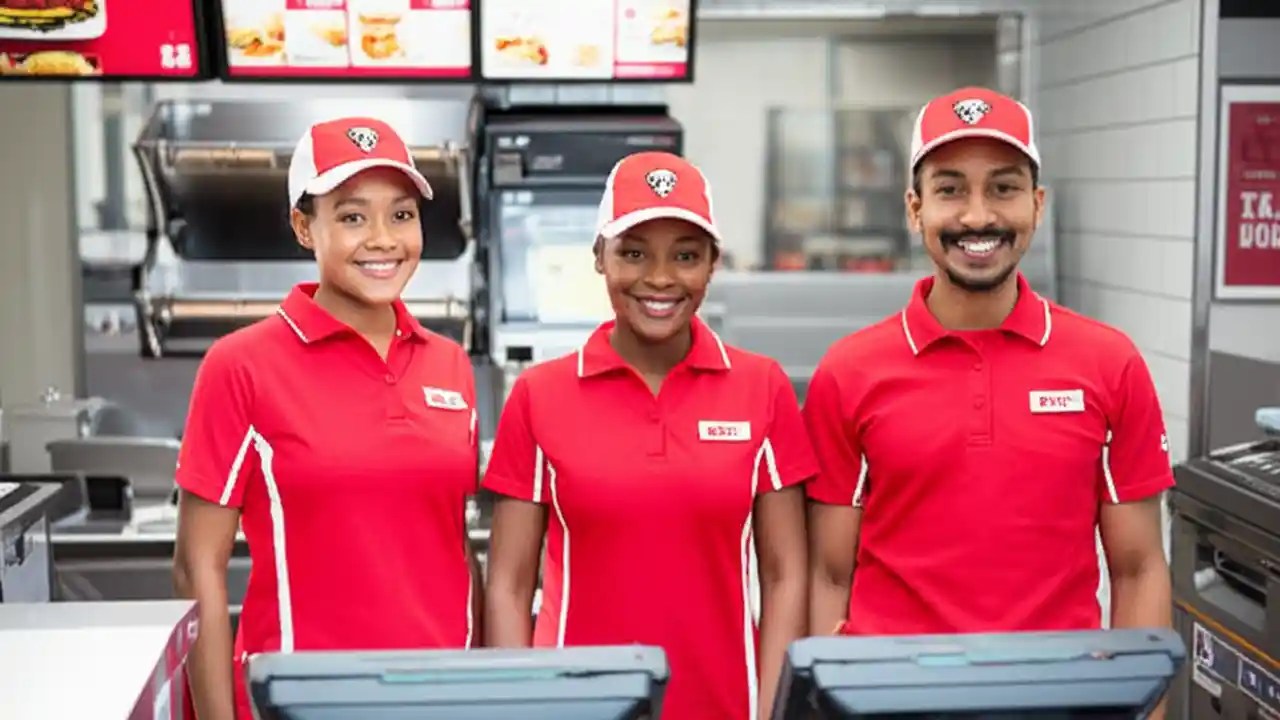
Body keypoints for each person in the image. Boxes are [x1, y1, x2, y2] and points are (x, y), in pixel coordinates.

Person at [805, 88, 1174, 642]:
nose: (978, 216)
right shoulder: (849, 372)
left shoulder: (1109, 364)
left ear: (1037, 204)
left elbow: (1139, 567)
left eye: (1004, 188)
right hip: (889, 696)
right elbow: (828, 576)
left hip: (1057, 696)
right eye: (950, 190)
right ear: (915, 208)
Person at [482, 151, 814, 720]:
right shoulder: (540, 395)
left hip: (723, 705)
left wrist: (771, 711)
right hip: (573, 708)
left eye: (685, 256)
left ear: (712, 264)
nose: (660, 278)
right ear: (599, 258)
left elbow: (785, 575)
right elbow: (509, 585)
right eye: (633, 253)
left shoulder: (763, 387)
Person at [172, 116, 482, 720]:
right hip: (301, 701)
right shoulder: (241, 365)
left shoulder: (450, 366)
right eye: (351, 216)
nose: (383, 238)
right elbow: (195, 566)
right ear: (303, 227)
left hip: (444, 697)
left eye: (401, 214)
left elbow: (452, 543)